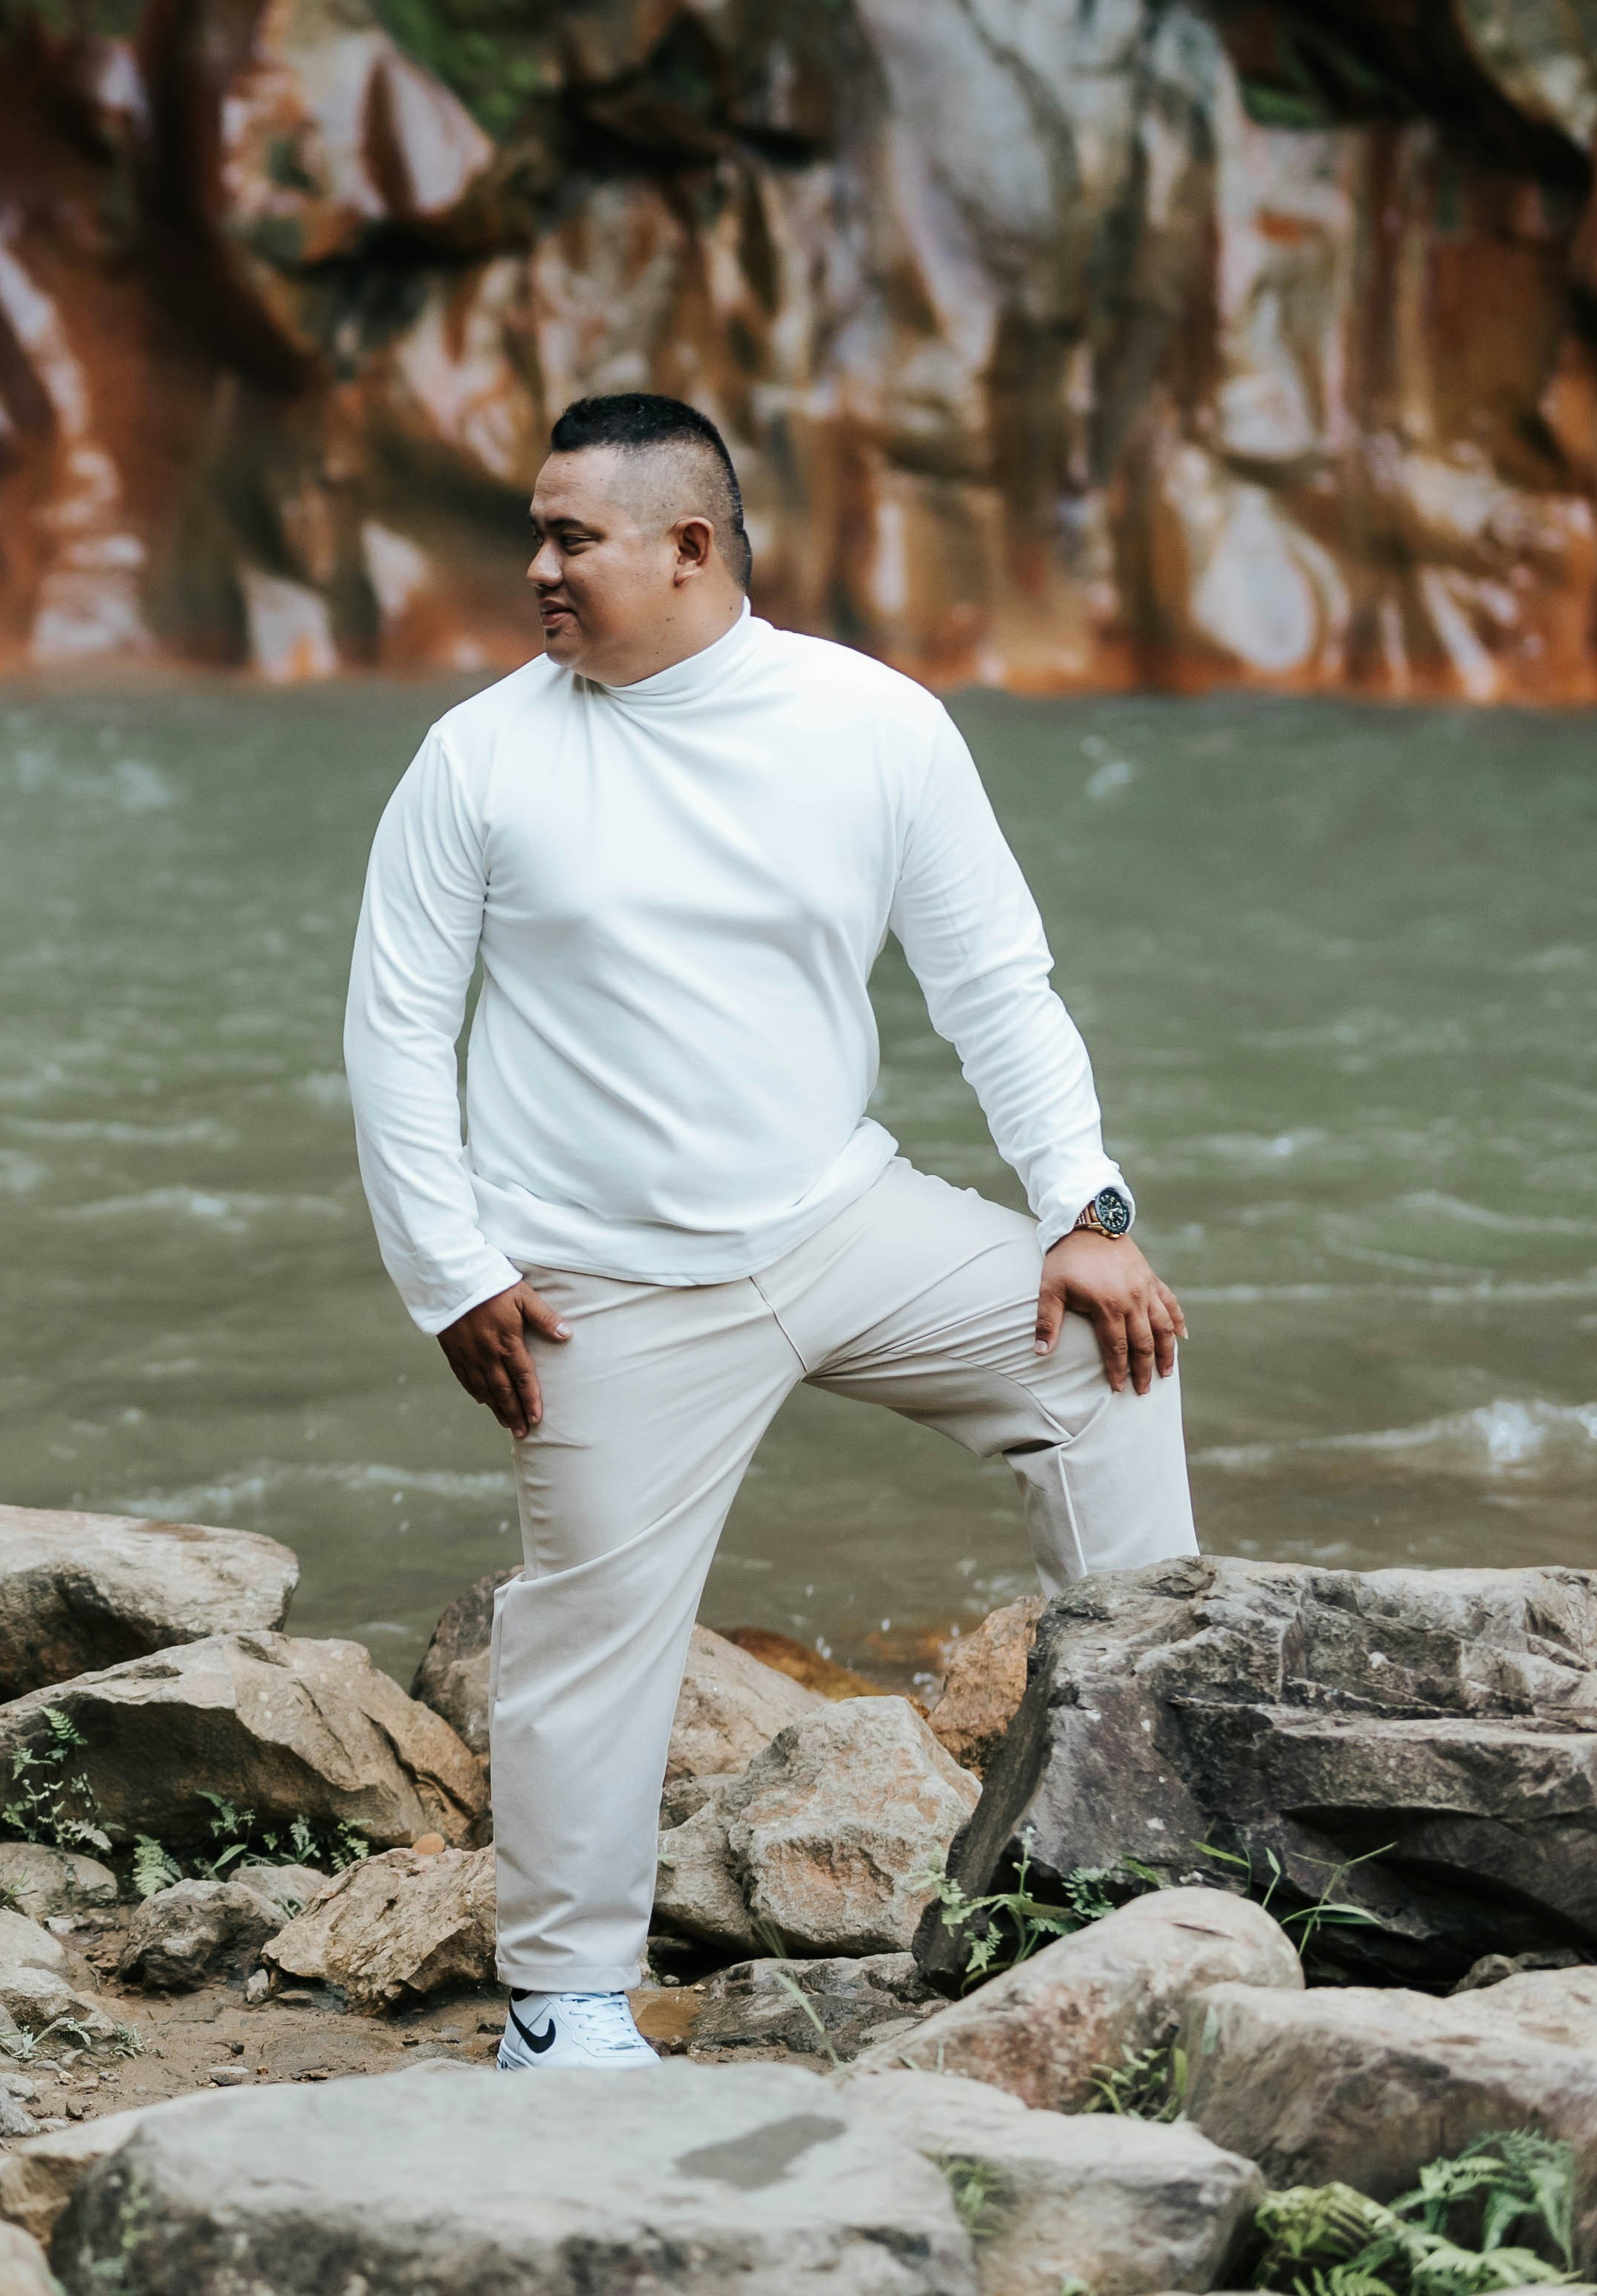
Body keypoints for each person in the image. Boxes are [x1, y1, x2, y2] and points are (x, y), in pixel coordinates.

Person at [341, 391, 1197, 2072]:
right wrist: (452, 1272)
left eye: (568, 536)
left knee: (1110, 1357)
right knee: (586, 1624)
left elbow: (991, 988)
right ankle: (564, 2003)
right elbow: (390, 1033)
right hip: (600, 1284)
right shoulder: (479, 755)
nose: (536, 569)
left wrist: (1083, 1212)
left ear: (689, 545)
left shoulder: (871, 726)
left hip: (842, 1219)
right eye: (534, 533)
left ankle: (1145, 1845)